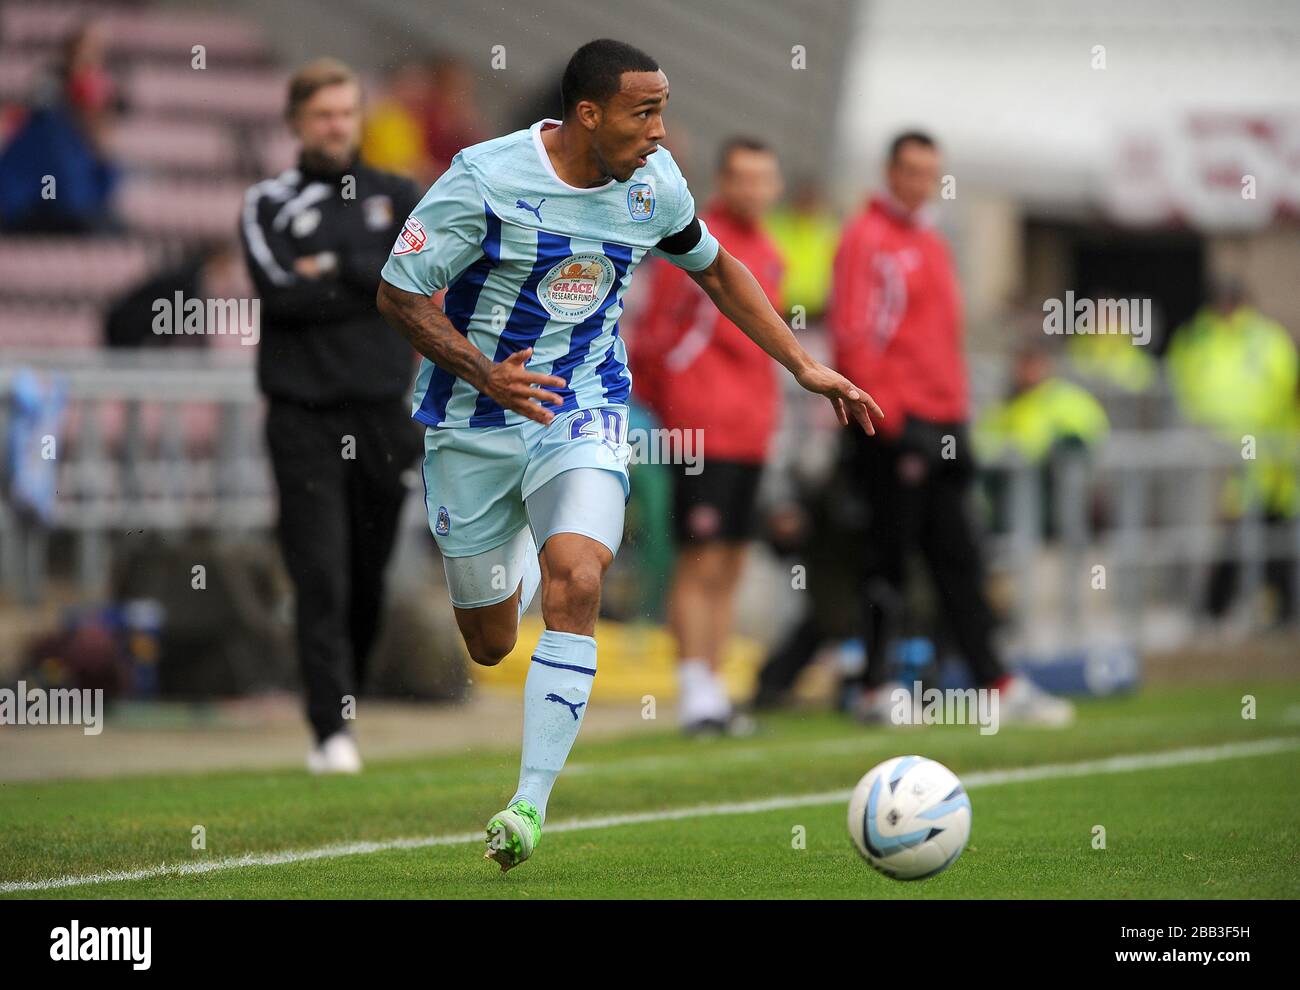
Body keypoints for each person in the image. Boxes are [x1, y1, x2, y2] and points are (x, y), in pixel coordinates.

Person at [376, 39, 881, 872]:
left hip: (585, 406)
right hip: (474, 417)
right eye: (644, 112)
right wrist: (482, 371)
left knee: (580, 578)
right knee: (492, 643)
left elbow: (717, 272)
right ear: (588, 114)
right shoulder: (484, 176)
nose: (660, 130)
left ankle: (528, 806)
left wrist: (801, 364)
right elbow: (398, 291)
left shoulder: (654, 184)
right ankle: (519, 561)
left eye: (663, 110)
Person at [830, 130, 1074, 727]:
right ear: (890, 171)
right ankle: (875, 685)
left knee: (960, 558)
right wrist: (890, 418)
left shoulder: (934, 243)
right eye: (910, 169)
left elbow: (943, 345)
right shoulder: (866, 239)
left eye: (930, 171)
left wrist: (957, 421)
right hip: (892, 427)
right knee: (889, 558)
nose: (920, 181)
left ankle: (994, 680)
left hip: (941, 422)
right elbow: (856, 338)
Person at [240, 58, 423, 775]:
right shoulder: (267, 203)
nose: (336, 125)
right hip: (303, 416)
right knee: (320, 570)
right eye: (322, 114)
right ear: (295, 122)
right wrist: (361, 274)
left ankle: (345, 697)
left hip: (381, 412)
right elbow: (280, 291)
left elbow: (407, 282)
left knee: (370, 576)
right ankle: (328, 727)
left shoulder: (397, 194)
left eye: (346, 112)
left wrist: (332, 268)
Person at [630, 136, 784, 732]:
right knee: (698, 561)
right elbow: (656, 338)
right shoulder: (694, 243)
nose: (754, 189)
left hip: (750, 432)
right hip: (700, 430)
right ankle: (694, 688)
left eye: (763, 178)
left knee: (732, 562)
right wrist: (673, 410)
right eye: (742, 177)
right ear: (723, 180)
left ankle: (715, 688)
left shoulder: (769, 250)